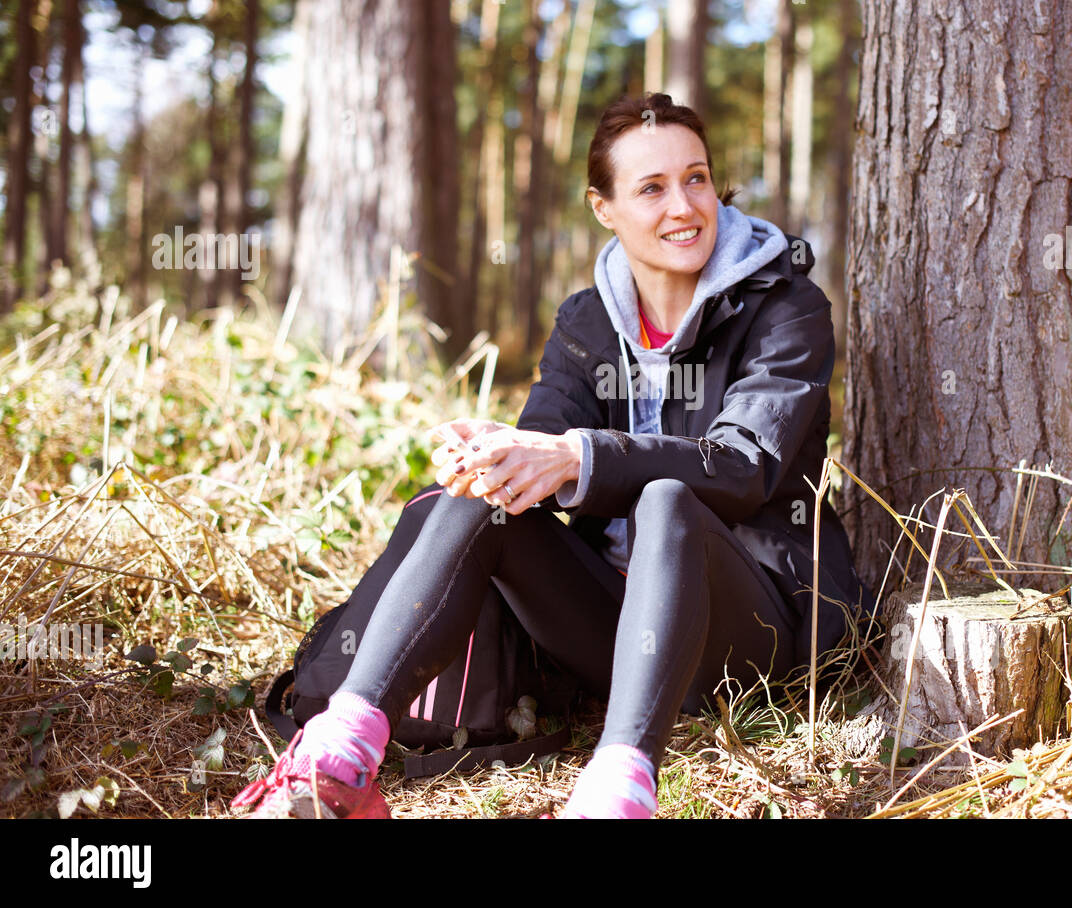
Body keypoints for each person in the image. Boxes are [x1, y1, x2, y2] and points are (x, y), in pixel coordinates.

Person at [231, 92, 873, 820]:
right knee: (481, 498)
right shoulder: (587, 321)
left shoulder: (782, 307)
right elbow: (544, 449)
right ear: (604, 208)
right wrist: (500, 452)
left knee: (669, 499)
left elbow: (743, 466)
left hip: (747, 634)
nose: (685, 206)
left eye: (696, 178)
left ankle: (617, 794)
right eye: (652, 188)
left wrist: (578, 455)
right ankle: (336, 760)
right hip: (611, 630)